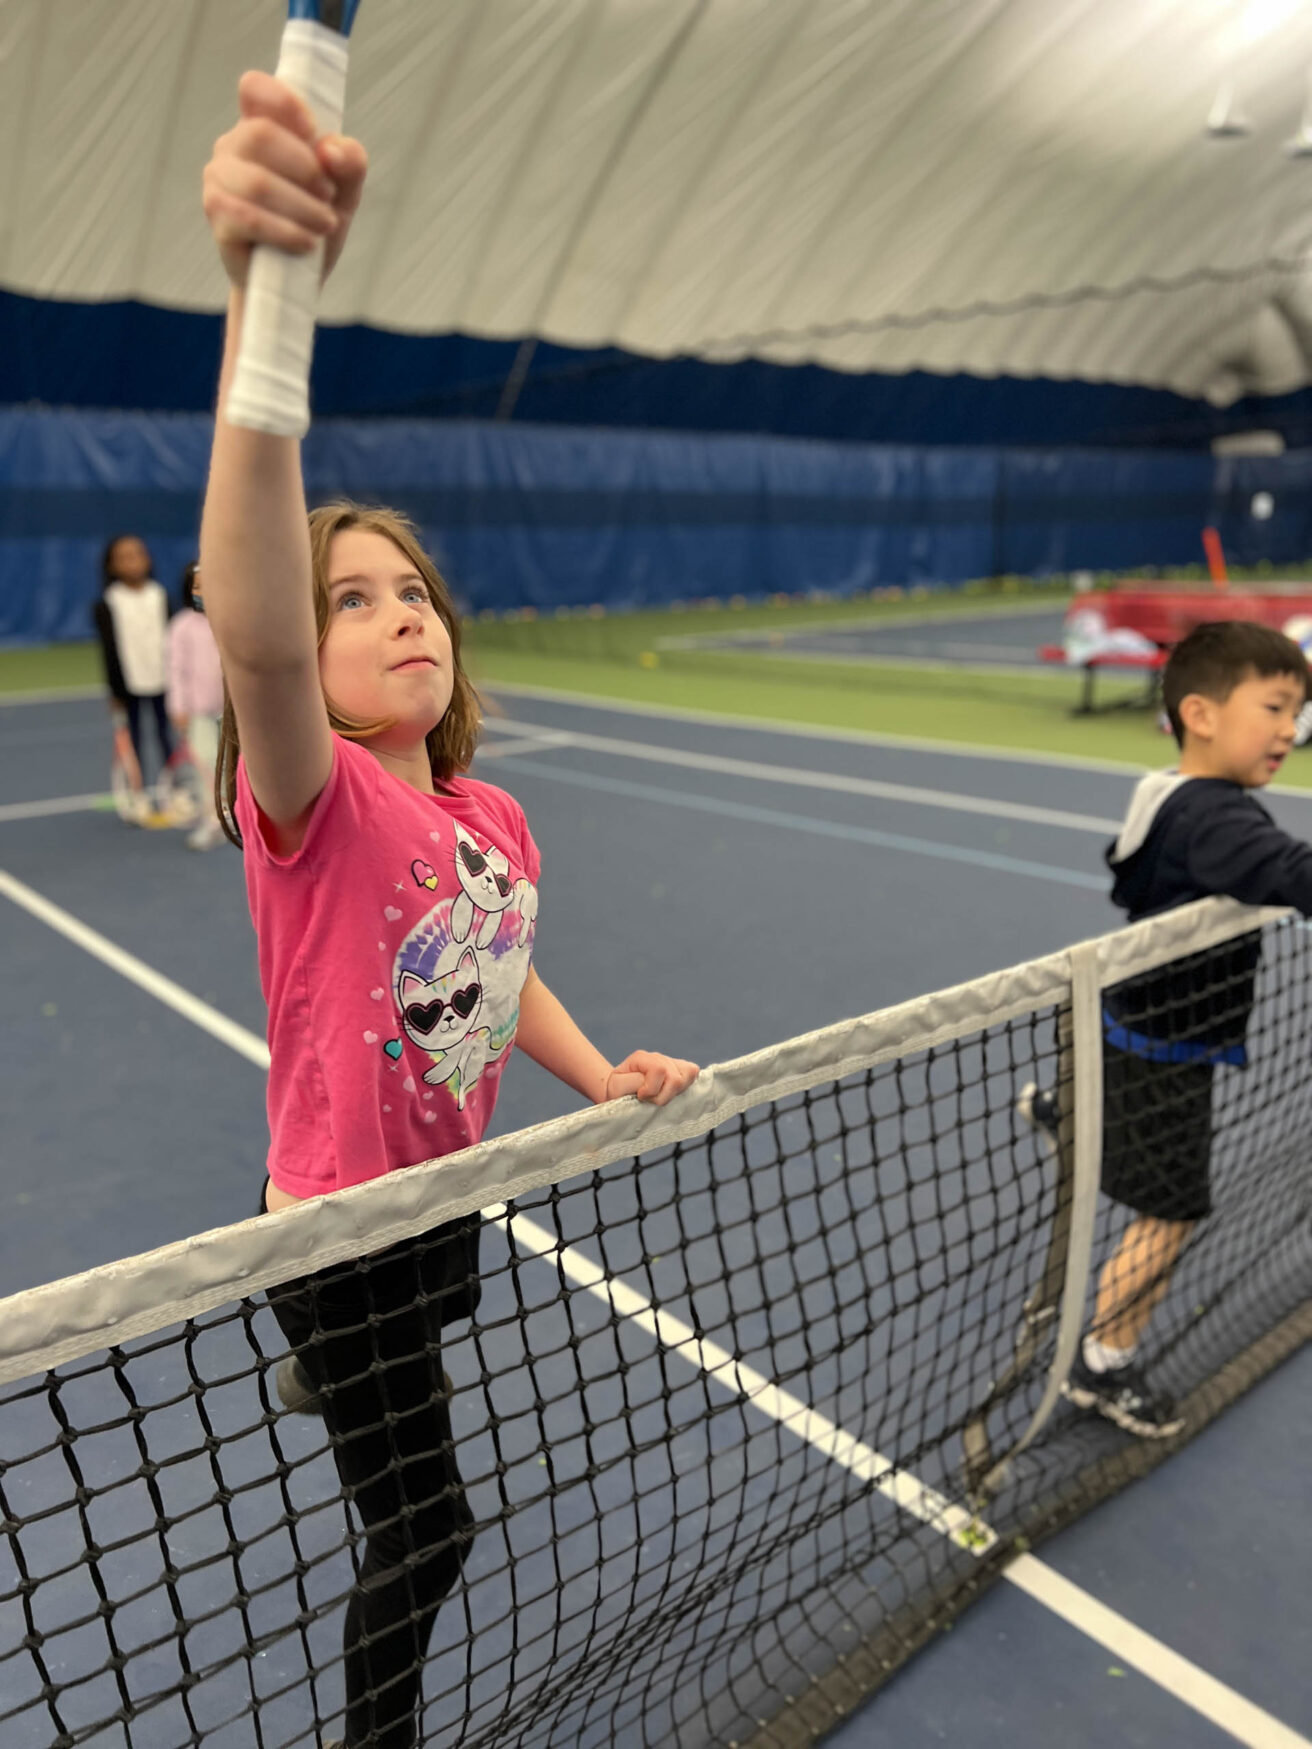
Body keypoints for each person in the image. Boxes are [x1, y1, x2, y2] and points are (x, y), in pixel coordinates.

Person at [199, 71, 699, 1749]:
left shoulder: (488, 813)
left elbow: (496, 970)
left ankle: (340, 1354)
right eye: (354, 598)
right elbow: (254, 625)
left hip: (449, 1187)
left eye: (411, 590)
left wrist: (593, 1072)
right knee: (431, 1523)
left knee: (439, 1314)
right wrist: (264, 328)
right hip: (333, 1217)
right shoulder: (319, 802)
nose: (394, 612)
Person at [1025, 620, 1312, 1438]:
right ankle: (1100, 1364)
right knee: (1174, 1212)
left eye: (1299, 711)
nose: (1293, 728)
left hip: (1131, 1016)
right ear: (1202, 711)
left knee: (1130, 1123)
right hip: (1170, 1047)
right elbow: (1294, 873)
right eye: (1276, 706)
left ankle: (1073, 1115)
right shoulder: (1220, 823)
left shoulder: (1170, 790)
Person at [92, 534, 174, 820]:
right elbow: (109, 653)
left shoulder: (160, 596)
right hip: (130, 686)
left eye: (137, 554)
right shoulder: (107, 603)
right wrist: (115, 693)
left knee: (167, 737)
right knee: (135, 739)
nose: (132, 561)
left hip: (164, 682)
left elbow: (172, 642)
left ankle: (170, 791)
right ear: (112, 566)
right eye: (124, 557)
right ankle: (138, 793)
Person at [167, 562, 226, 849]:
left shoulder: (231, 621)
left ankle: (239, 820)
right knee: (207, 767)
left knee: (238, 769)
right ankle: (212, 821)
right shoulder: (181, 627)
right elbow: (176, 670)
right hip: (199, 715)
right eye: (197, 585)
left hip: (233, 713)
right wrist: (179, 708)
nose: (204, 591)